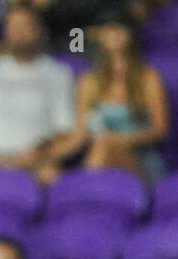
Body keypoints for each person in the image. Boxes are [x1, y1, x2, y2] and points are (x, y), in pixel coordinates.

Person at [0, 4, 74, 183]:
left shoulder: (59, 74)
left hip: (36, 161)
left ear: (40, 31)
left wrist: (37, 153)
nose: (19, 33)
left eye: (25, 26)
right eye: (13, 27)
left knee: (53, 177)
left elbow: (64, 129)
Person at [53, 10, 168, 181]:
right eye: (108, 30)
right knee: (100, 147)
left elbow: (159, 129)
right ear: (100, 36)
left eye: (118, 29)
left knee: (103, 146)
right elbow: (80, 135)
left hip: (139, 156)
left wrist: (123, 139)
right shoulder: (89, 82)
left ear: (129, 35)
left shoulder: (148, 78)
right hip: (100, 152)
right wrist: (46, 156)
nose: (113, 35)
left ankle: (87, 192)